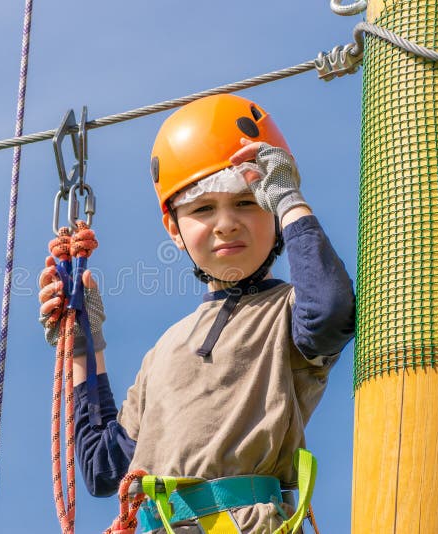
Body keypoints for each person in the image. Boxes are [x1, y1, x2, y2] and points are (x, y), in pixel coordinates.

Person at [39, 94, 355, 533]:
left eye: (247, 201)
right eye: (204, 209)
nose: (226, 222)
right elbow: (103, 465)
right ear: (175, 228)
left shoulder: (286, 312)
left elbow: (330, 311)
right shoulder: (166, 350)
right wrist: (83, 344)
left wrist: (287, 197)